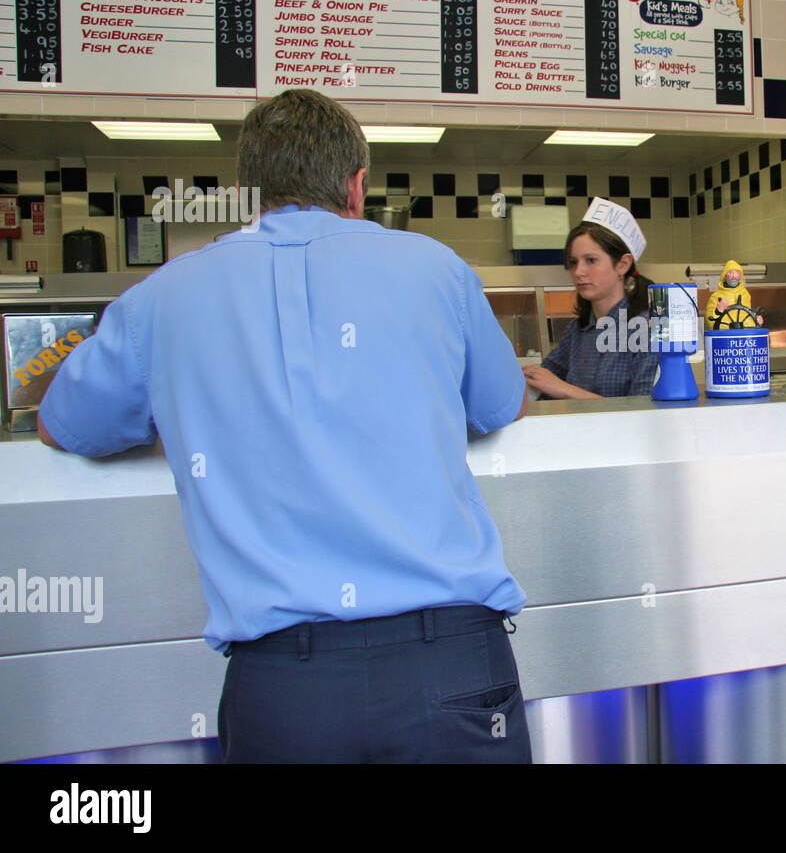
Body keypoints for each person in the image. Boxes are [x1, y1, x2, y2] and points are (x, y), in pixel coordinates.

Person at [36, 89, 533, 763]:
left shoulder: (164, 297)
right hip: (452, 670)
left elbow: (62, 425)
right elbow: (502, 405)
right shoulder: (438, 269)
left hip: (284, 692)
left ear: (250, 191)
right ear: (358, 186)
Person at [523, 198, 658, 399]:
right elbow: (542, 378)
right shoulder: (578, 331)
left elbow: (643, 410)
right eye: (573, 262)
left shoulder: (647, 329)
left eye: (591, 260)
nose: (579, 272)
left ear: (623, 264)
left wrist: (563, 389)